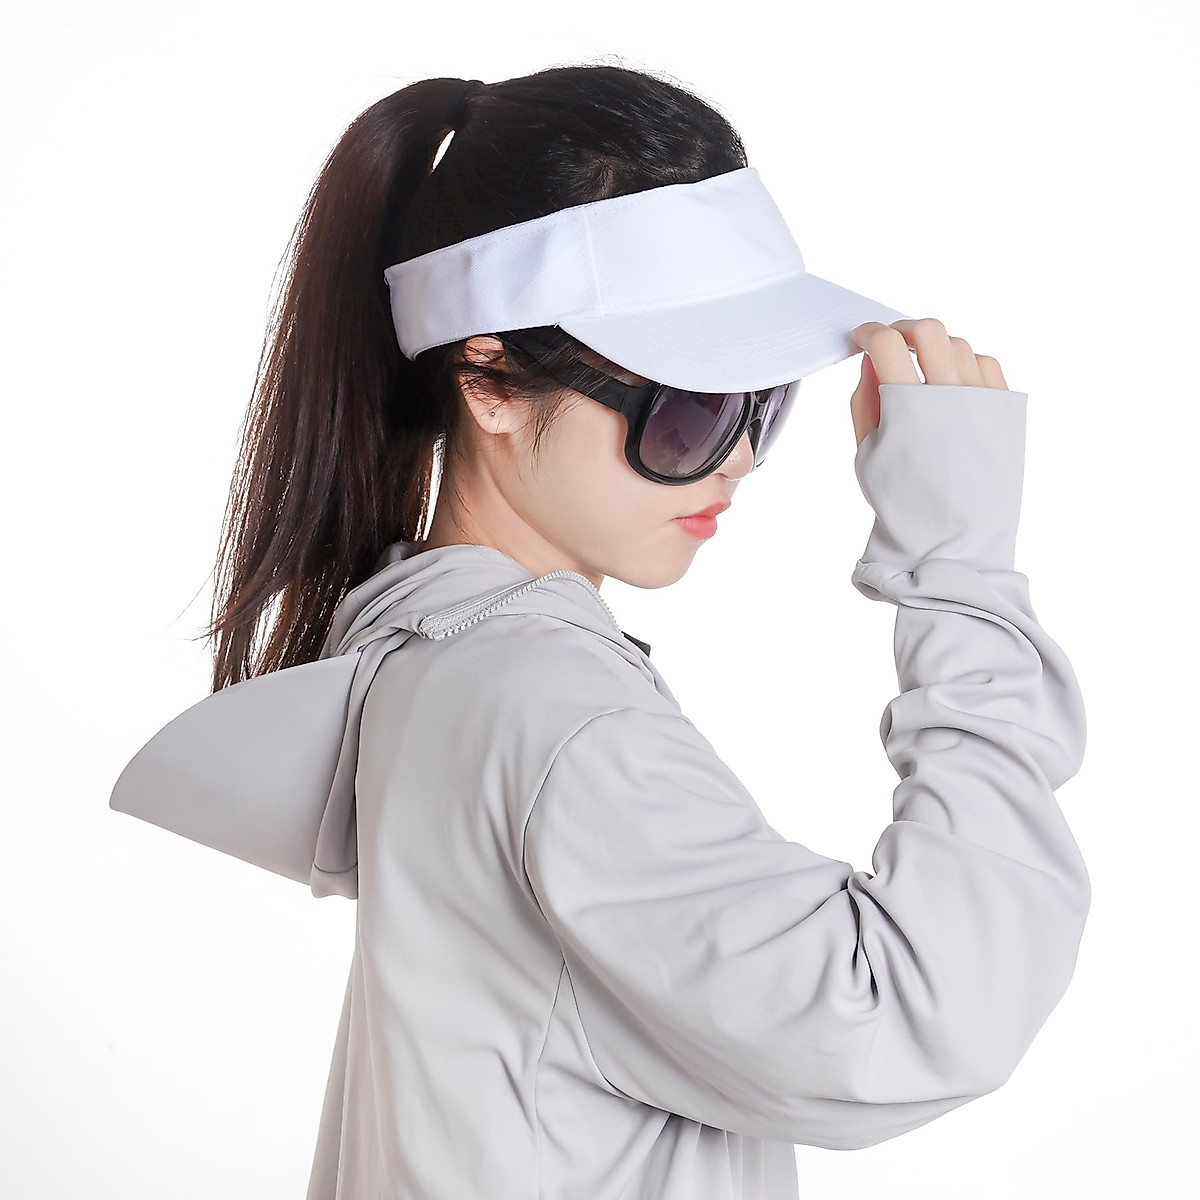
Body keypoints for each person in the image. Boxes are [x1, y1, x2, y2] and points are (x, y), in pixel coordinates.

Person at [109, 65, 1090, 1200]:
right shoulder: (551, 710)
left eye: (764, 403)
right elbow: (920, 1018)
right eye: (688, 408)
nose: (736, 459)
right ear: (488, 379)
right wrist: (959, 569)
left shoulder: (428, 670)